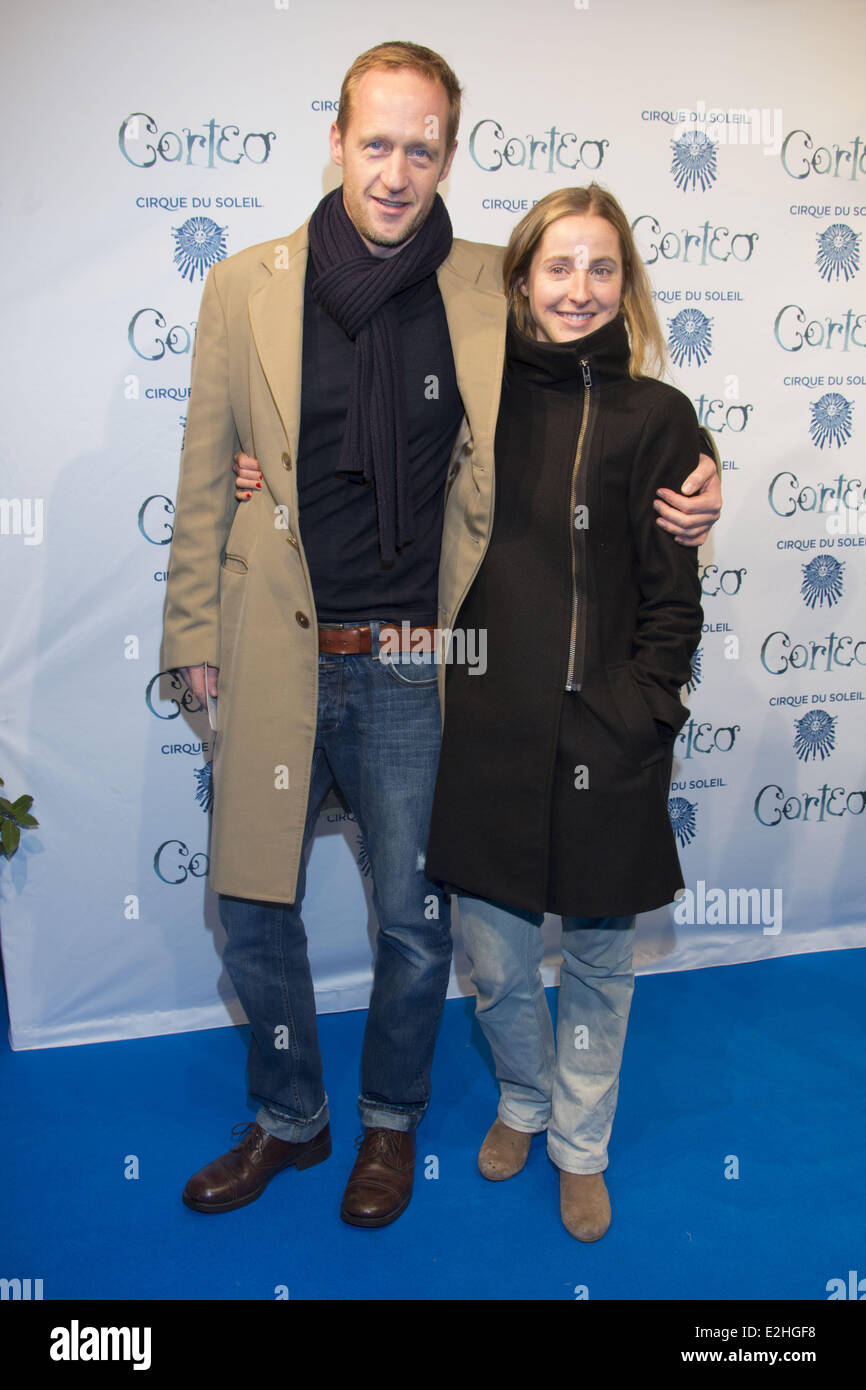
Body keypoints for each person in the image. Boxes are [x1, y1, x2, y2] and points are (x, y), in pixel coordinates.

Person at [164, 40, 721, 1230]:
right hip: (273, 652)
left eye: (423, 147)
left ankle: (388, 1122)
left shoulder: (484, 284)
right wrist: (190, 633)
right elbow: (209, 478)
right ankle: (286, 1117)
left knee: (416, 924)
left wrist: (694, 477)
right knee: (254, 906)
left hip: (418, 663)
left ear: (448, 155)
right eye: (378, 141)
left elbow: (592, 390)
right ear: (337, 137)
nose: (397, 169)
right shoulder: (243, 287)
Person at [420, 185, 704, 1242]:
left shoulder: (661, 418)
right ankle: (522, 1102)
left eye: (601, 268)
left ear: (624, 285)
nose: (578, 289)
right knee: (492, 961)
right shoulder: (469, 399)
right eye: (557, 266)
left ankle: (579, 1143)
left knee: (595, 962)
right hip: (485, 731)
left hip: (606, 734)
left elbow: (674, 599)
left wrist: (638, 714)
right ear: (520, 279)